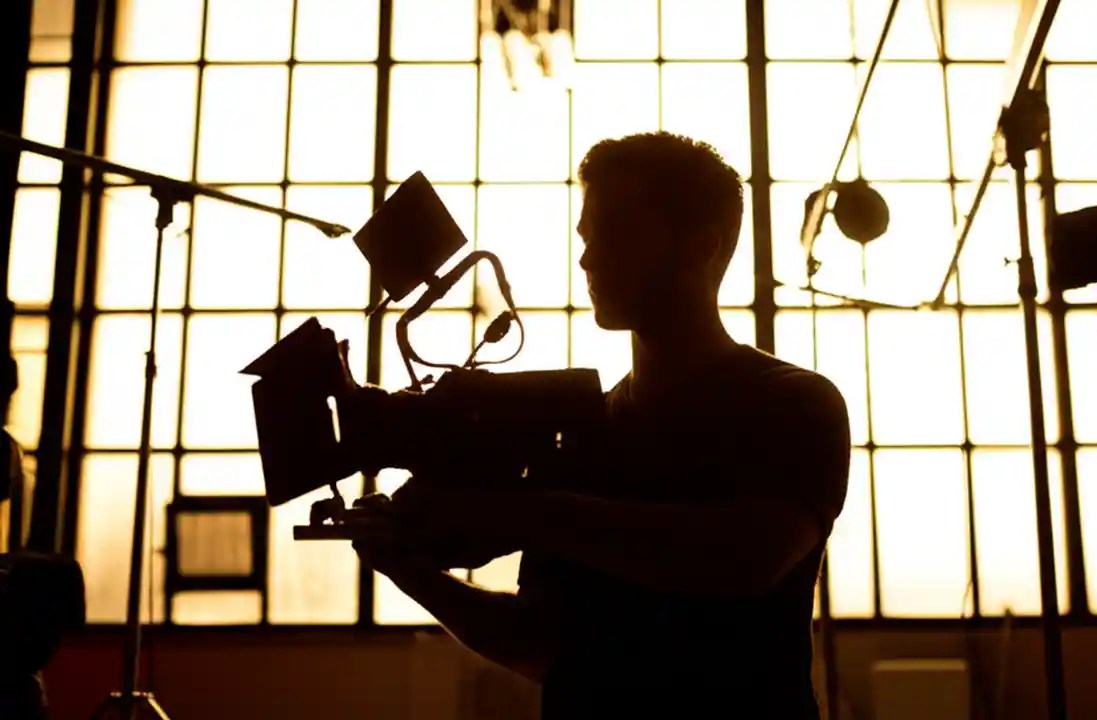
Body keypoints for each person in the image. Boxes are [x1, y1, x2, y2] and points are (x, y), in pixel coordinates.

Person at [355, 132, 851, 719]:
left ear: (703, 247)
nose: (588, 258)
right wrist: (407, 570)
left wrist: (515, 510)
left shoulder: (795, 403)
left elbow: (743, 559)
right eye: (587, 237)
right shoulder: (583, 428)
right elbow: (540, 644)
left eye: (616, 233)